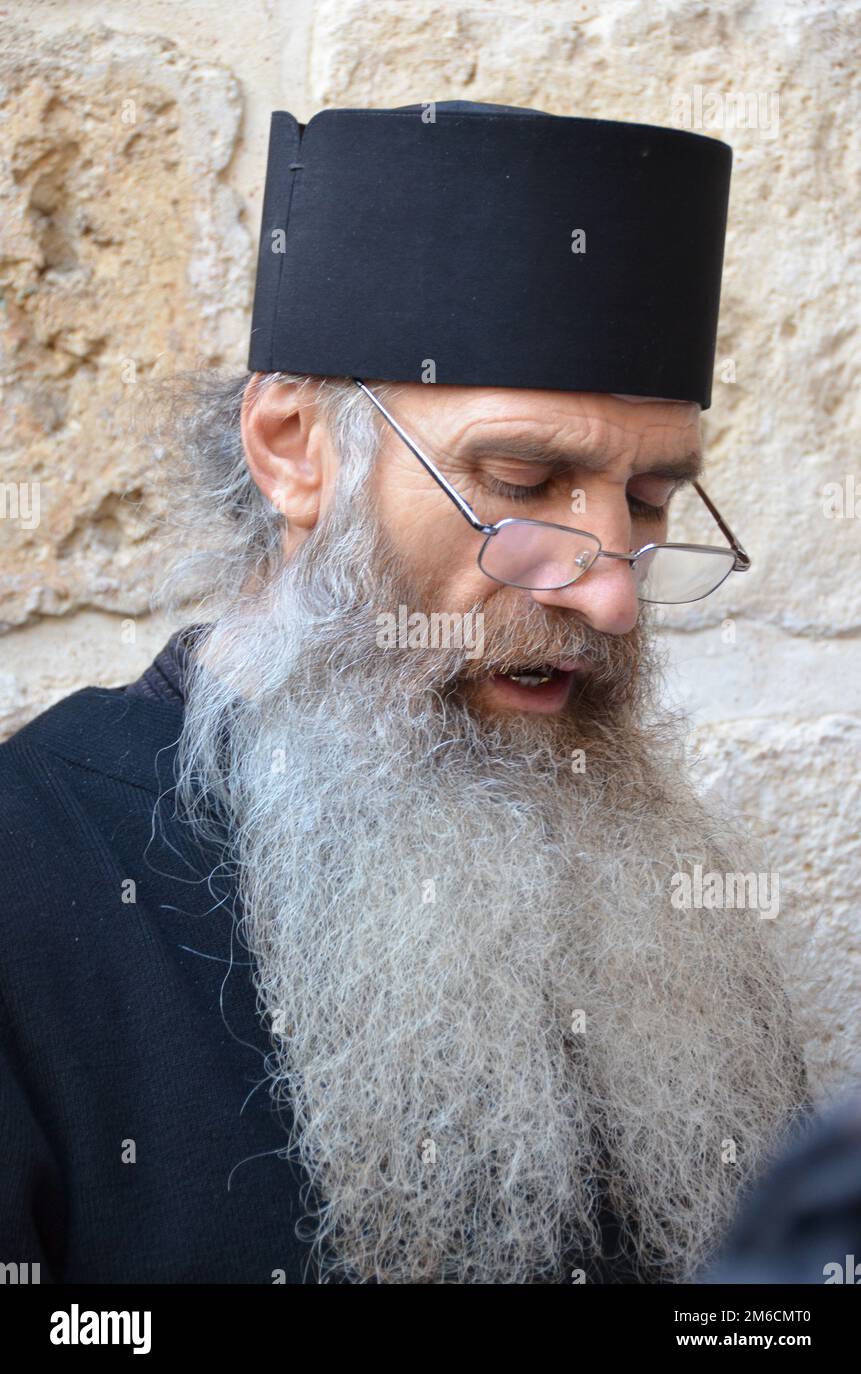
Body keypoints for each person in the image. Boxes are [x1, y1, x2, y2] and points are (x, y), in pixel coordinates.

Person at [0, 101, 811, 1285]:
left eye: (648, 503)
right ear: (293, 449)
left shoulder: (663, 910)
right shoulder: (32, 873)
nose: (613, 599)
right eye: (526, 480)